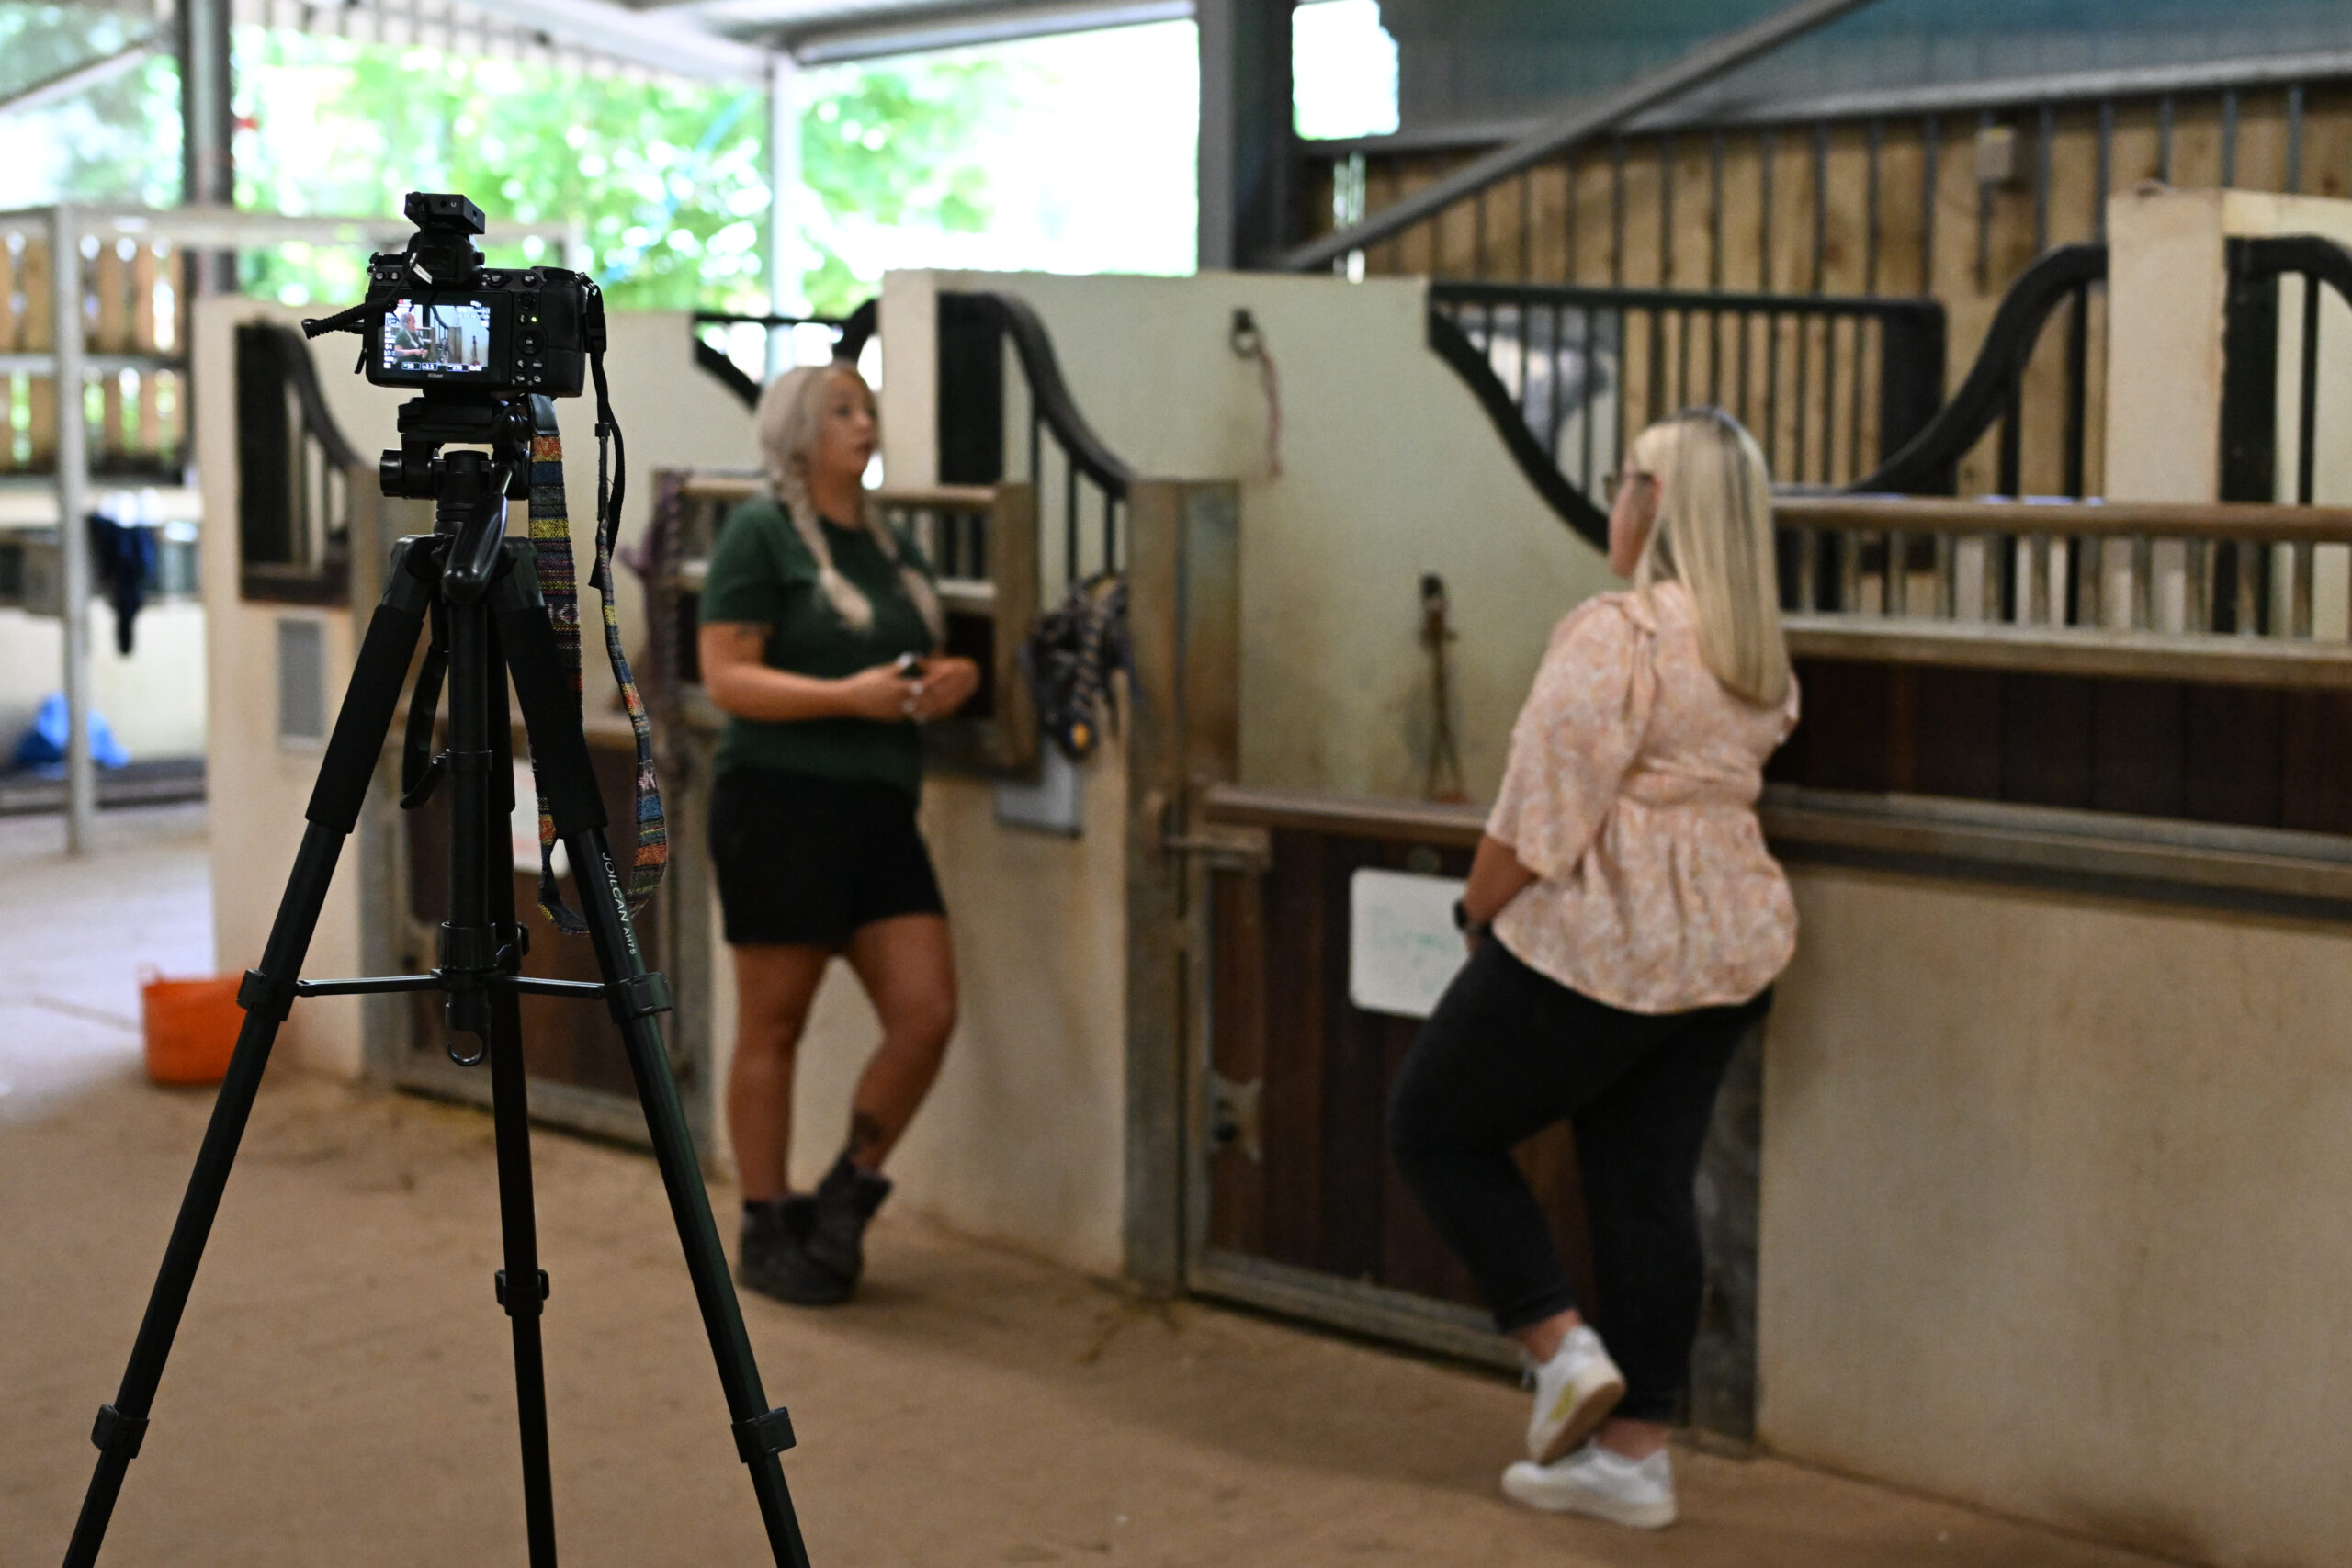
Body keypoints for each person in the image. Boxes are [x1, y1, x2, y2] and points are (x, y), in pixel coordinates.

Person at [1386, 407, 1799, 1530]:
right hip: (1722, 948)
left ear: (1652, 506)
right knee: (1642, 1182)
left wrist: (1477, 911)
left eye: (1624, 480)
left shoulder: (1619, 634)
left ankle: (1557, 1347)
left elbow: (1536, 813)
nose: (1611, 498)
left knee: (1433, 1124)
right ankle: (1634, 1457)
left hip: (1606, 939)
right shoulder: (1751, 647)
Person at [695, 360, 981, 1306]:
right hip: (780, 802)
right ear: (797, 435)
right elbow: (730, 679)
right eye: (842, 412)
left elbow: (913, 652)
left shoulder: (886, 544)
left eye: (868, 409)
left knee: (926, 1011)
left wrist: (952, 682)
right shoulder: (759, 534)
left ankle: (845, 1193)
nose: (865, 424)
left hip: (877, 808)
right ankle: (765, 1219)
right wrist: (845, 699)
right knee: (774, 1021)